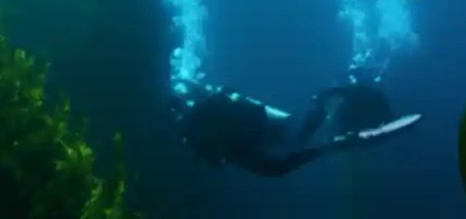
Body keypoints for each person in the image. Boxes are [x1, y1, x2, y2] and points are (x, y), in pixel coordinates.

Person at [169, 71, 420, 178]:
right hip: (255, 129)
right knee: (292, 135)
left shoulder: (195, 120)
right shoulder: (205, 109)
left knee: (280, 162)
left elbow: (213, 155)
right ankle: (333, 121)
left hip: (247, 139)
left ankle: (334, 137)